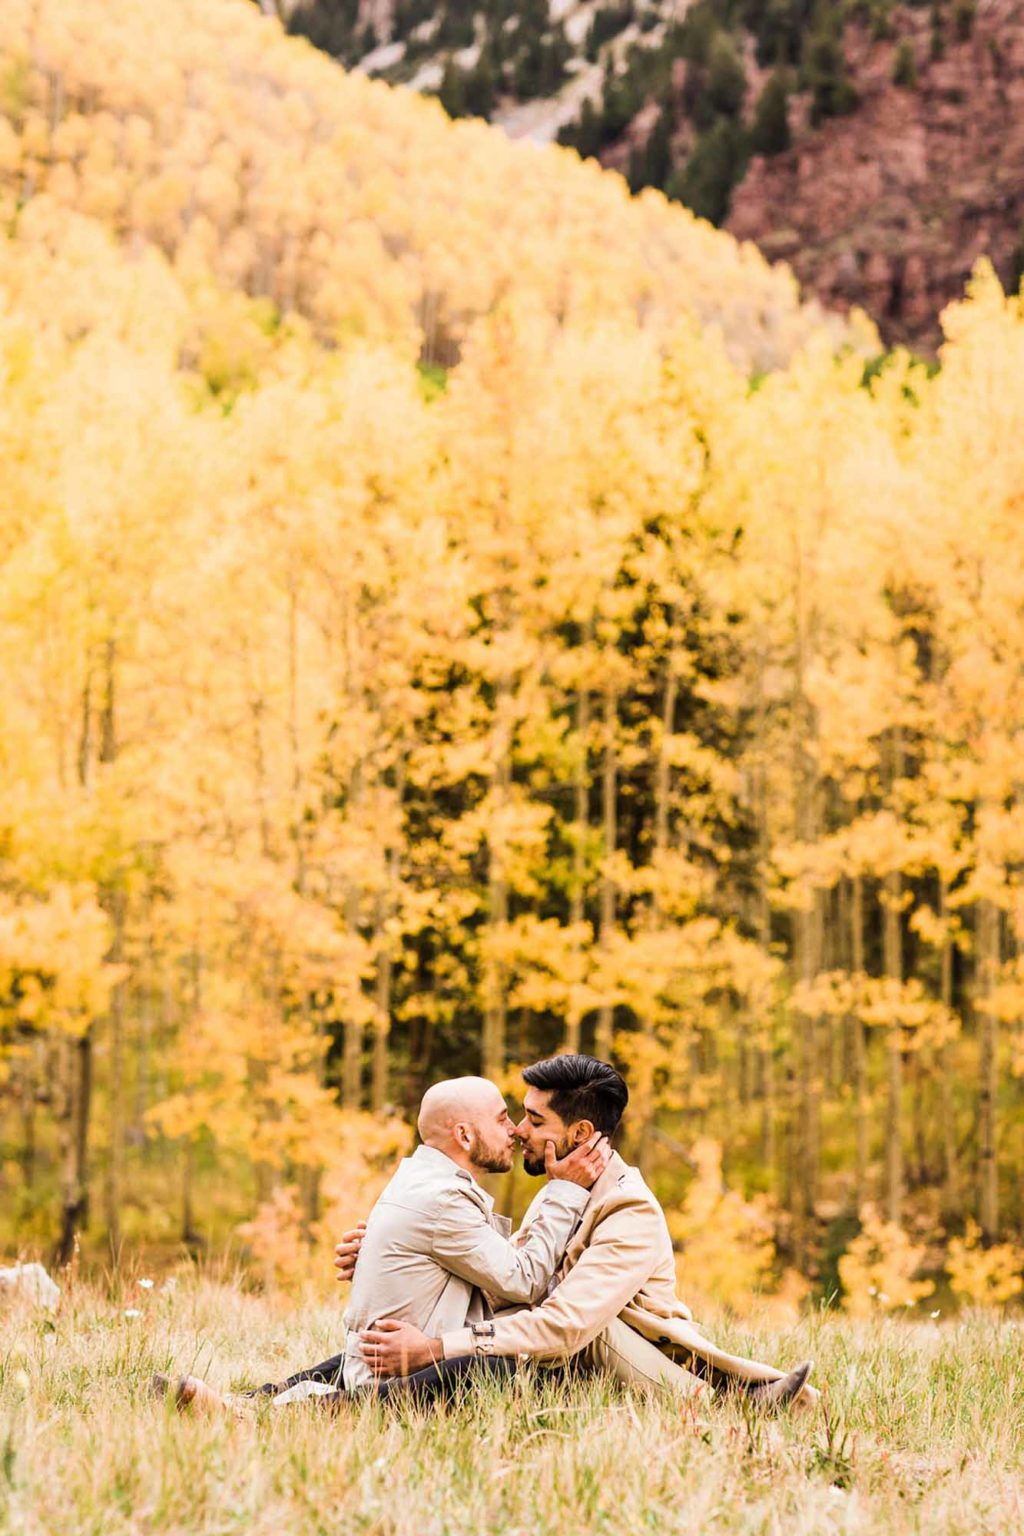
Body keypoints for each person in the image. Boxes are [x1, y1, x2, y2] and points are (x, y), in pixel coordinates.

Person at [348, 1055, 817, 1410]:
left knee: (568, 1333)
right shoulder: (564, 1186)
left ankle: (728, 1404)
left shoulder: (629, 1210)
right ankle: (302, 1392)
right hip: (555, 1358)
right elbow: (503, 1278)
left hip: (623, 1365)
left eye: (534, 1121)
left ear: (580, 1132)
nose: (517, 1133)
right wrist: (395, 1249)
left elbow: (565, 1325)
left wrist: (434, 1348)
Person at [155, 1074, 609, 1414]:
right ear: (465, 1136)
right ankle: (277, 1415)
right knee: (493, 1369)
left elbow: (479, 1263)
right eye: (501, 1119)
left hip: (386, 1355)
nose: (513, 1130)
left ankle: (252, 1403)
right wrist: (565, 1190)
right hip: (395, 1376)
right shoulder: (442, 1198)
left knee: (368, 1356)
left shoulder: (422, 1180)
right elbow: (524, 1280)